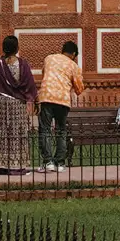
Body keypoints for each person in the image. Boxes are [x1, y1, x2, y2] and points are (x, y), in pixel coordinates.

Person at [0, 36, 36, 174]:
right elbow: (30, 84)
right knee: (16, 133)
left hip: (0, 102)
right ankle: (16, 166)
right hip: (17, 105)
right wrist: (36, 100)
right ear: (17, 48)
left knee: (1, 133)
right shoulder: (22, 64)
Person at [36, 40, 85, 173]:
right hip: (62, 100)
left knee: (45, 130)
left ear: (62, 50)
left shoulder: (49, 58)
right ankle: (60, 163)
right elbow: (79, 89)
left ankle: (48, 162)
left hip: (46, 97)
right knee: (61, 131)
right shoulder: (73, 65)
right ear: (74, 54)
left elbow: (45, 73)